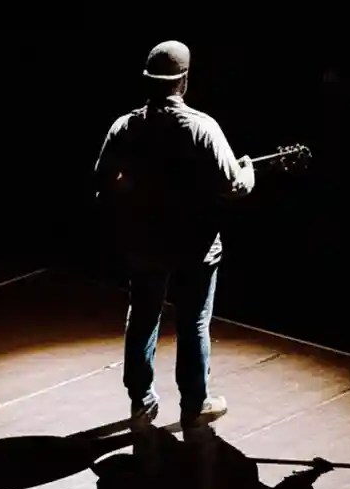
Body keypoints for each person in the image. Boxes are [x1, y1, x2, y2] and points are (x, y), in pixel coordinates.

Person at [94, 40, 255, 430]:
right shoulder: (202, 128)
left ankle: (140, 400)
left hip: (144, 243)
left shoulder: (125, 126)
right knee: (194, 321)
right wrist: (248, 170)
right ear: (183, 81)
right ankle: (195, 401)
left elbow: (102, 182)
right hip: (194, 247)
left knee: (143, 316)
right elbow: (234, 186)